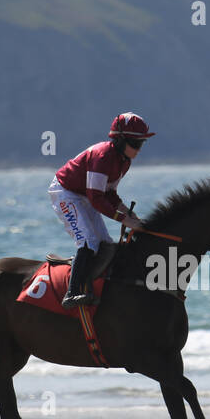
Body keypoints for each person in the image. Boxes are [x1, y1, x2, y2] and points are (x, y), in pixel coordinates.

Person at [49, 112, 153, 307]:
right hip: (66, 192)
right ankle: (72, 293)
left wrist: (130, 214)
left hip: (85, 194)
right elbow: (96, 199)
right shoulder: (103, 157)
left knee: (105, 244)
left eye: (142, 144)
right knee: (88, 241)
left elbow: (109, 194)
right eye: (136, 144)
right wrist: (124, 219)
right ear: (121, 141)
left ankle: (94, 286)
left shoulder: (124, 161)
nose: (139, 149)